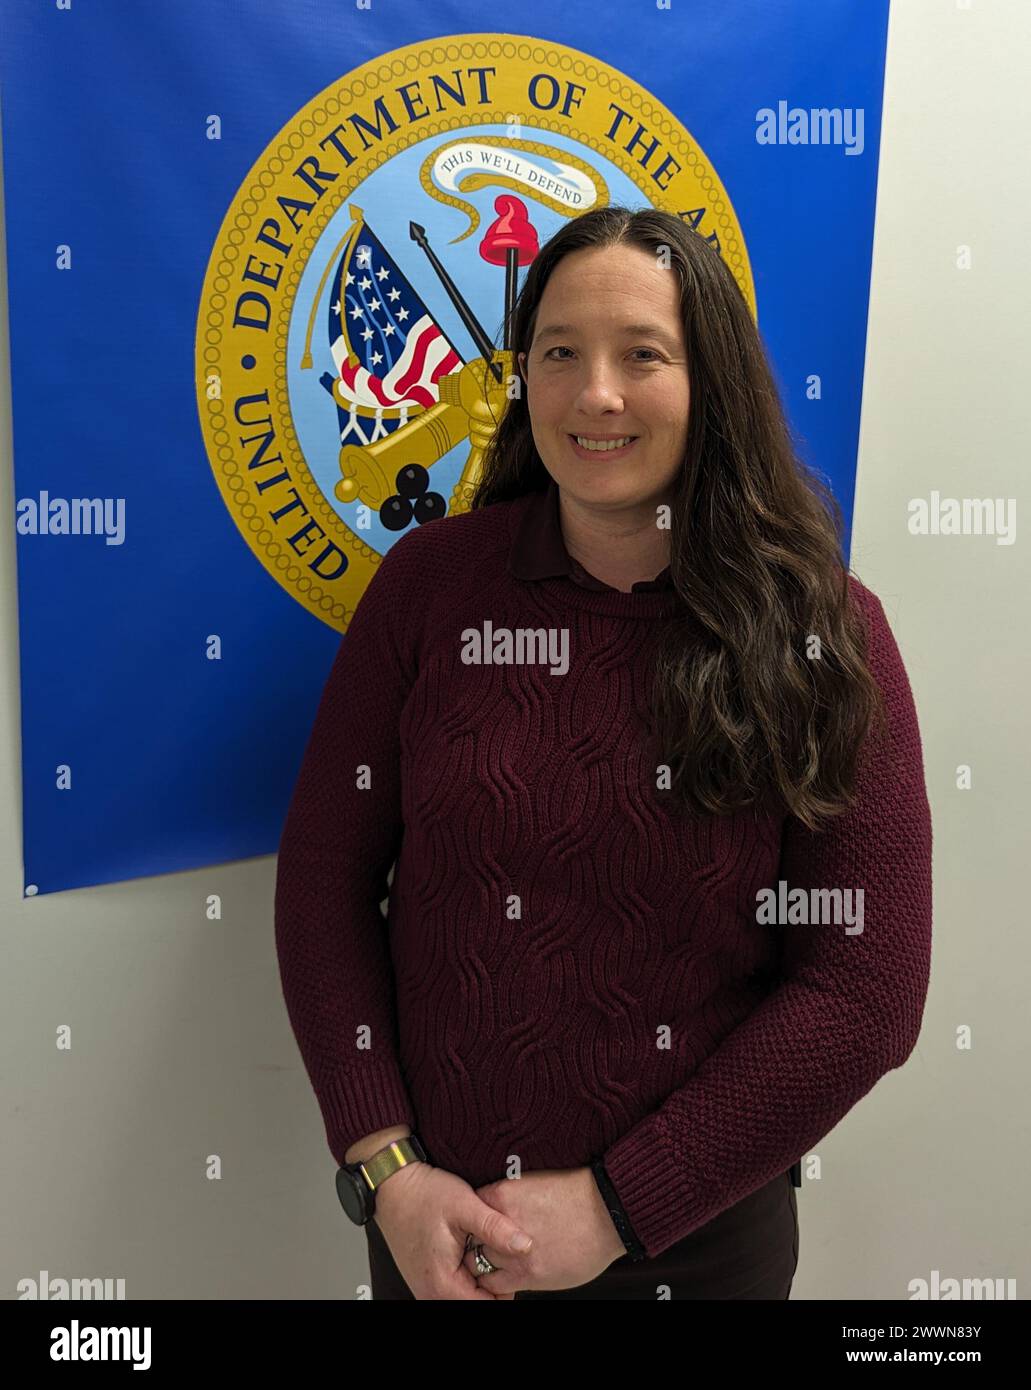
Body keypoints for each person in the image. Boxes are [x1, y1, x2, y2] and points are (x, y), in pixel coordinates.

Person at [274, 205, 933, 1301]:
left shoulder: (825, 631)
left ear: (708, 375)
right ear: (521, 375)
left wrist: (620, 1204)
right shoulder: (430, 591)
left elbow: (863, 986)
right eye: (559, 354)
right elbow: (324, 883)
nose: (596, 396)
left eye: (642, 355)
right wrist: (384, 1168)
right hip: (437, 1243)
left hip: (696, 1253)